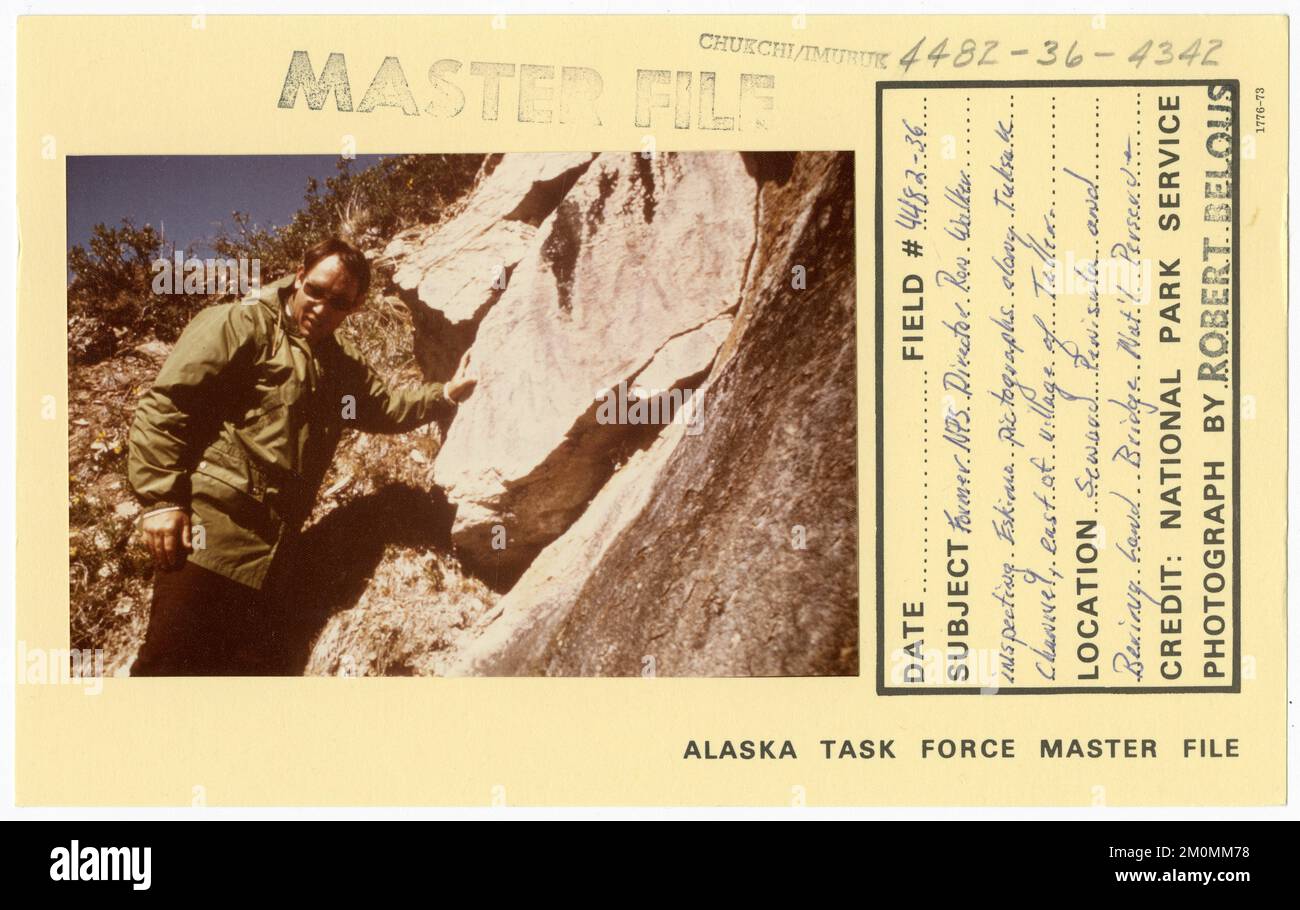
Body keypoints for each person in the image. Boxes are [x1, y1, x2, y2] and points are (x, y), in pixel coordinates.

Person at [126, 237, 476, 675]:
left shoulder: (339, 363)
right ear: (298, 276)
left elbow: (384, 408)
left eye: (339, 302)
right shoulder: (241, 324)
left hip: (273, 556)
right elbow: (167, 405)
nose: (321, 308)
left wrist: (445, 393)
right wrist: (161, 500)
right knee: (166, 673)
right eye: (315, 290)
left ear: (356, 306)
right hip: (208, 536)